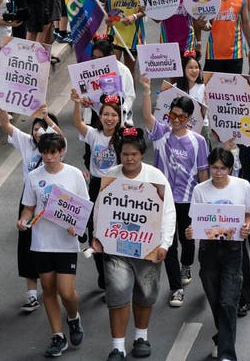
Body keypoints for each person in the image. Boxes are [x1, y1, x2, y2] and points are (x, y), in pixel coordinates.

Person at [91, 126, 176, 361]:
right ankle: (117, 346)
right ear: (119, 154)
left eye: (134, 154)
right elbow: (100, 210)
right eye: (125, 154)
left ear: (142, 155)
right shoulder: (111, 175)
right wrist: (98, 237)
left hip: (148, 248)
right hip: (116, 248)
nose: (129, 158)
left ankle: (141, 337)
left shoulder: (156, 177)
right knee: (117, 291)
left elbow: (168, 213)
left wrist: (165, 244)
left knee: (146, 293)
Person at [17, 132, 88, 358]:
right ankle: (58, 336)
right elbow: (29, 207)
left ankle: (73, 318)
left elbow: (83, 208)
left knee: (66, 292)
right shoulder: (33, 177)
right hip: (41, 242)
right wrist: (23, 220)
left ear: (61, 152)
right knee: (48, 289)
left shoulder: (74, 175)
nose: (48, 157)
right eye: (44, 153)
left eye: (53, 152)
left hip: (66, 243)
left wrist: (75, 225)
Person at [140, 77, 208, 309]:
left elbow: (202, 173)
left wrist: (203, 203)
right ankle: (176, 287)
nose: (176, 120)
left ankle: (186, 264)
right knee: (168, 244)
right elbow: (147, 117)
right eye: (173, 115)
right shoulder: (161, 133)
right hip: (164, 200)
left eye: (181, 117)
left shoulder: (199, 141)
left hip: (188, 199)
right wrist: (147, 91)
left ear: (189, 119)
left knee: (187, 239)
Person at [186, 146, 250, 361]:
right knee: (216, 299)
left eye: (223, 168)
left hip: (233, 250)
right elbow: (195, 221)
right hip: (208, 250)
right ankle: (222, 337)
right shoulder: (200, 190)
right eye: (214, 168)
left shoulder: (242, 186)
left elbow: (249, 215)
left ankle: (227, 354)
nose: (218, 172)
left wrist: (247, 226)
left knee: (228, 302)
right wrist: (190, 231)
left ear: (230, 169)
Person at [0, 103, 63, 313]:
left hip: (52, 201)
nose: (38, 132)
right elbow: (5, 124)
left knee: (52, 244)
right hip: (29, 200)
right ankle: (32, 295)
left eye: (43, 129)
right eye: (35, 128)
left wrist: (48, 118)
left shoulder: (56, 148)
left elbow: (61, 137)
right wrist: (1, 103)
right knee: (27, 244)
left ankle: (55, 285)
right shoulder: (26, 143)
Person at [71, 91, 122, 290]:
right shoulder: (93, 134)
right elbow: (77, 123)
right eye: (106, 114)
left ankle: (115, 272)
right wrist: (77, 103)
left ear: (119, 118)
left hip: (115, 188)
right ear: (100, 116)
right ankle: (102, 273)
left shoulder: (122, 137)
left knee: (113, 230)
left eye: (114, 115)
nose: (110, 118)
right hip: (95, 187)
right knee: (94, 232)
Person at [203, 0, 250, 74]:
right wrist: (202, 24)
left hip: (235, 53)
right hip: (213, 53)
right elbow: (206, 25)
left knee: (233, 85)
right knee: (211, 85)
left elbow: (245, 22)